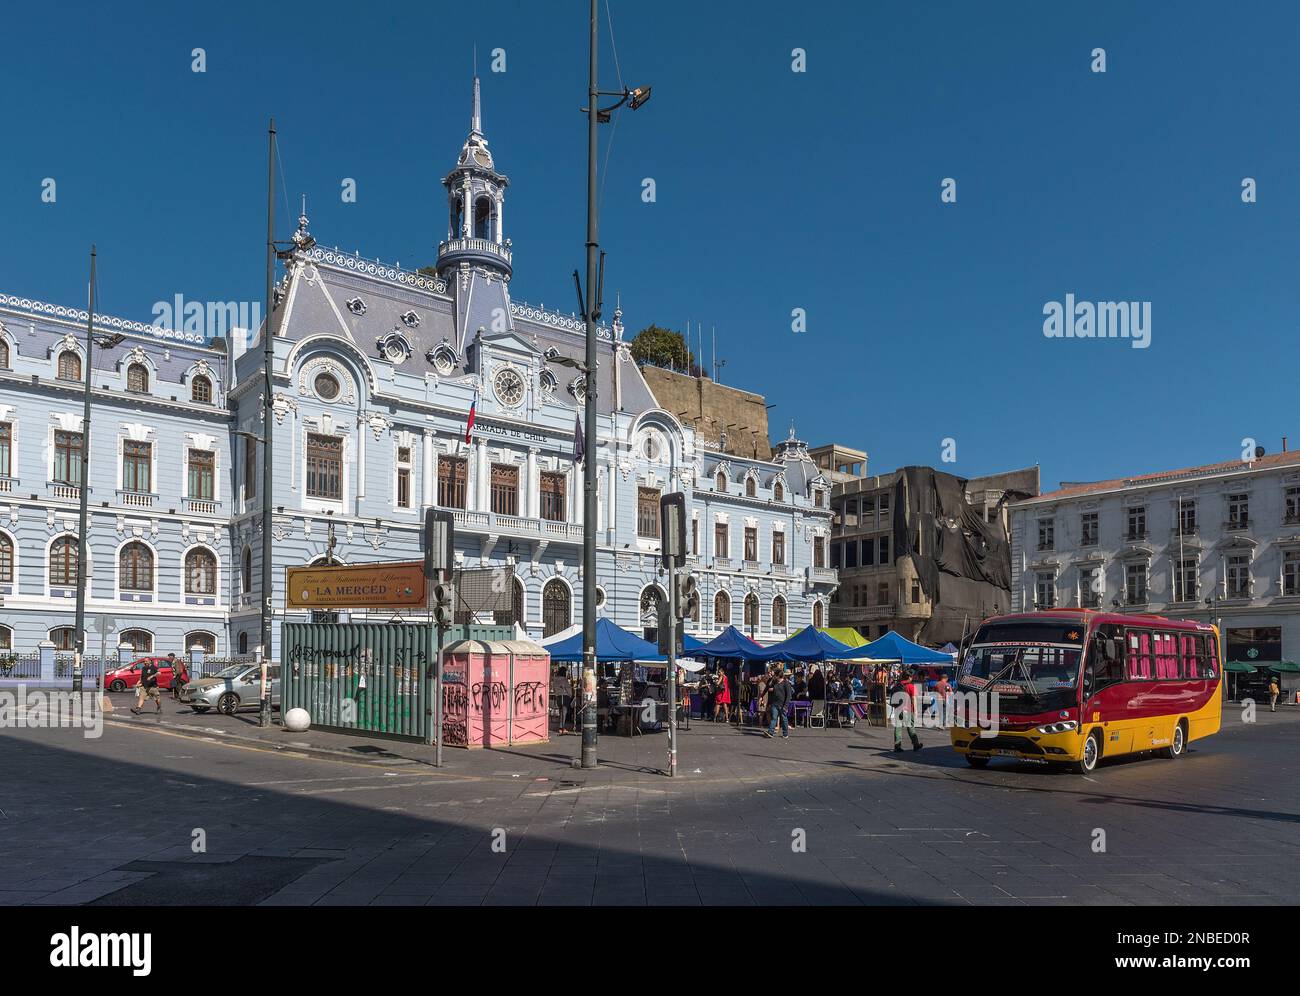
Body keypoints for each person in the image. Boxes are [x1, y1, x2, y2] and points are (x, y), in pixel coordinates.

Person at [890, 667, 922, 752]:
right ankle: (916, 744)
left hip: (897, 708)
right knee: (910, 727)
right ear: (909, 677)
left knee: (898, 727)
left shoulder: (898, 685)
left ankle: (897, 746)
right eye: (912, 677)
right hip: (907, 709)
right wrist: (916, 711)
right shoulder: (911, 686)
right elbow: (913, 699)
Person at [764, 667, 792, 739]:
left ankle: (785, 733)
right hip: (775, 703)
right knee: (774, 717)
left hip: (782, 704)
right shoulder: (774, 682)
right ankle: (771, 732)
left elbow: (789, 695)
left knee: (784, 719)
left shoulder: (786, 683)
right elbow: (768, 686)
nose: (774, 677)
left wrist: (786, 706)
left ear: (778, 676)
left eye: (775, 675)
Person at [552, 665, 573, 734]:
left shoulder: (555, 679)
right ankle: (561, 728)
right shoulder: (564, 679)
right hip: (565, 696)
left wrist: (556, 694)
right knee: (564, 712)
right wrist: (570, 695)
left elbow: (554, 688)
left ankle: (561, 727)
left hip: (558, 696)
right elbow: (568, 688)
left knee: (561, 711)